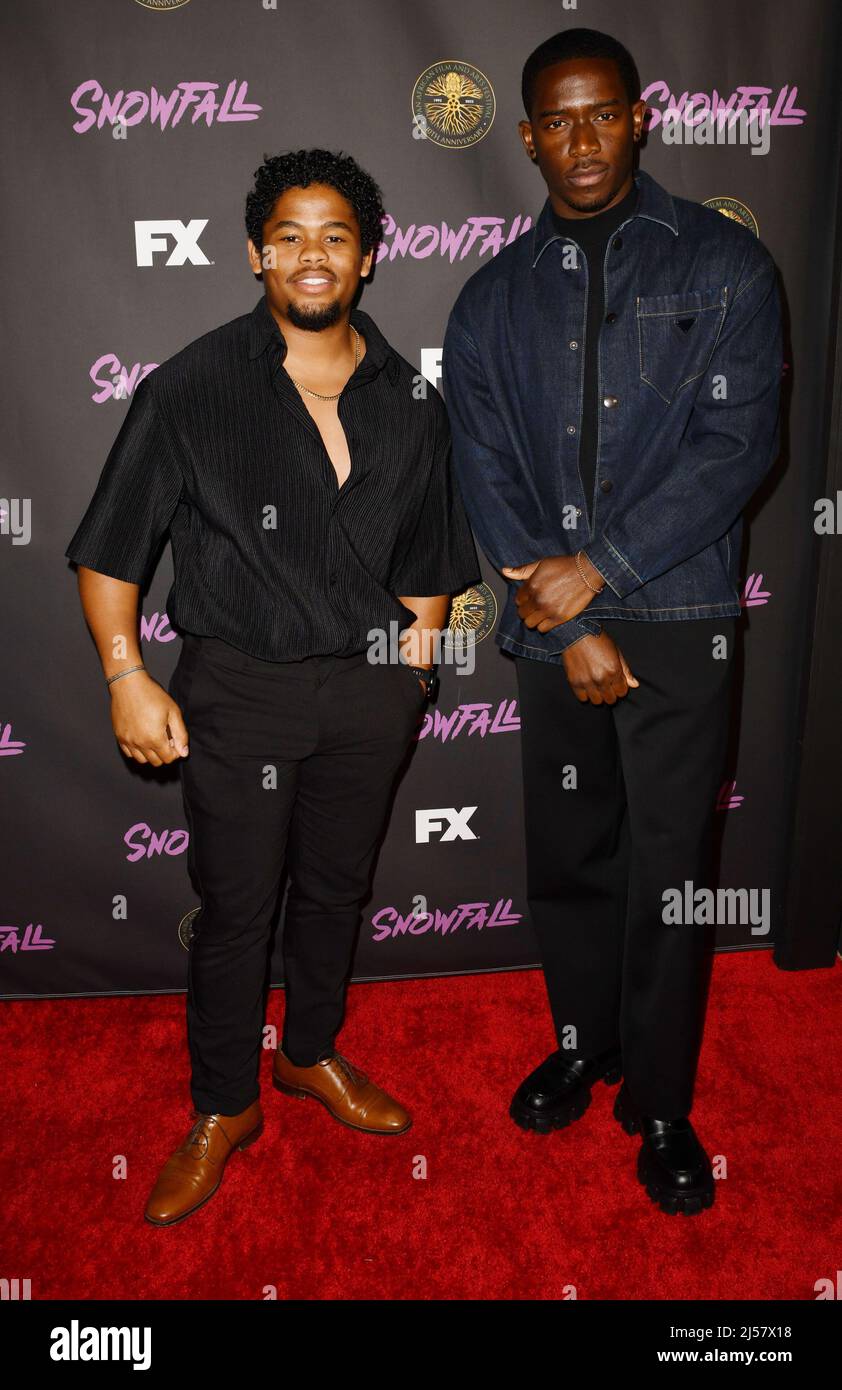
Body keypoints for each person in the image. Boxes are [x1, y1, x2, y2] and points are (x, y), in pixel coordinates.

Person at [65, 147, 481, 1227]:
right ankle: (222, 1106)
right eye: (288, 234)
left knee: (337, 890)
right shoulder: (192, 387)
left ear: (369, 258)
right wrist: (124, 675)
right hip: (239, 690)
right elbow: (112, 550)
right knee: (239, 911)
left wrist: (415, 668)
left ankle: (307, 1052)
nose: (311, 254)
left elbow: (437, 551)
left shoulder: (416, 396)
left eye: (335, 235)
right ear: (256, 252)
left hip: (368, 694)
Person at [442, 28, 783, 1214]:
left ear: (640, 118)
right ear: (526, 134)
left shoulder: (725, 267)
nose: (580, 140)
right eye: (556, 120)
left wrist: (604, 573)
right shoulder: (488, 297)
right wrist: (564, 606)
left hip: (679, 612)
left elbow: (734, 450)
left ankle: (665, 1101)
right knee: (572, 859)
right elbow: (483, 465)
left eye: (602, 115)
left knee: (667, 872)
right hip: (551, 623)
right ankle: (584, 1042)